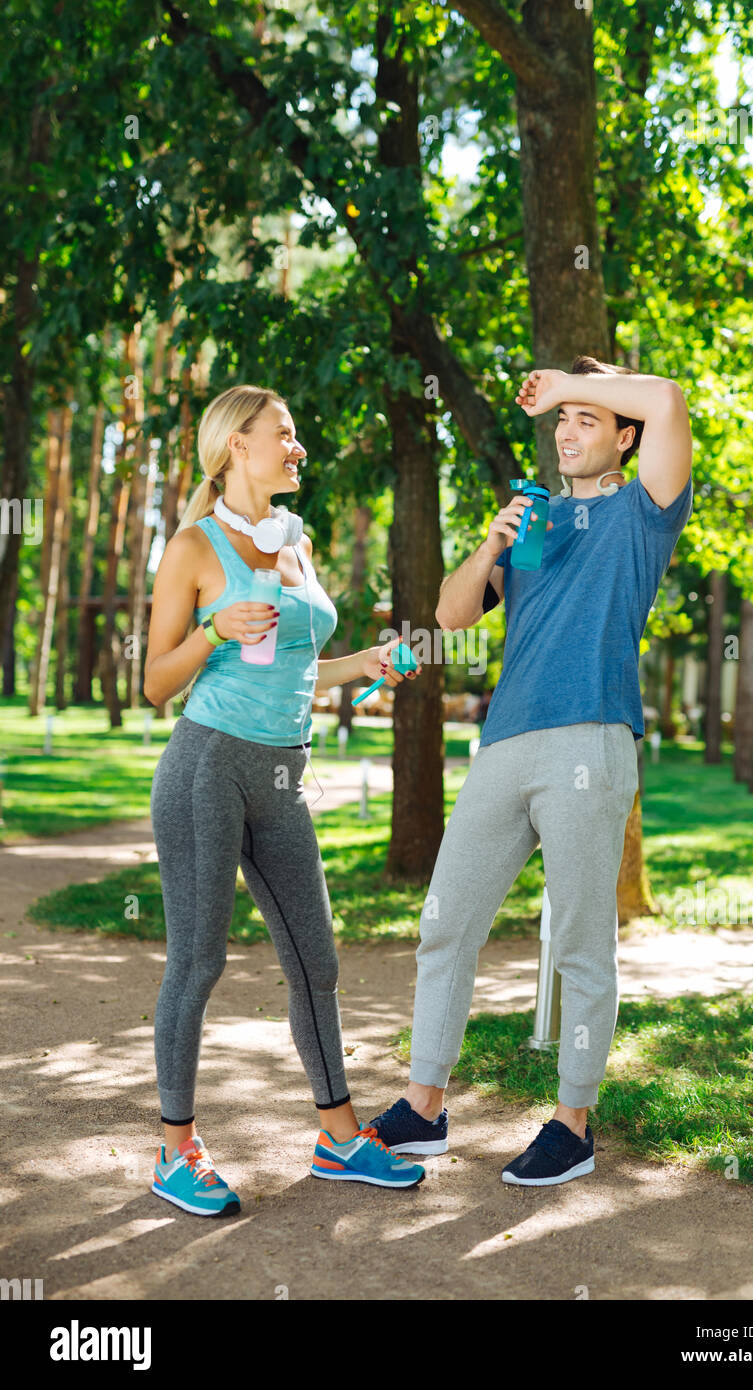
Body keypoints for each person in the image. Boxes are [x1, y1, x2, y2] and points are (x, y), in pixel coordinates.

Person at [365, 355, 693, 1186]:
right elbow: (449, 614)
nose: (567, 430)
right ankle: (425, 1110)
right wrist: (491, 543)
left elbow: (665, 398)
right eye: (560, 421)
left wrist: (569, 382)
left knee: (581, 944)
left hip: (590, 739)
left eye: (587, 418)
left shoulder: (644, 510)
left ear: (625, 436)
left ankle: (573, 1123)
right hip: (506, 744)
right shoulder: (533, 521)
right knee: (446, 921)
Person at [144, 384, 426, 1214]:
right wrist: (212, 631)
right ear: (238, 445)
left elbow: (300, 665)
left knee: (317, 960)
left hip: (282, 777)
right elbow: (157, 681)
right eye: (286, 435)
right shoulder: (194, 549)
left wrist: (367, 661)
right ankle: (175, 1152)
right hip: (206, 766)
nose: (298, 447)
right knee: (199, 961)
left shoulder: (296, 542)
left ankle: (340, 1141)